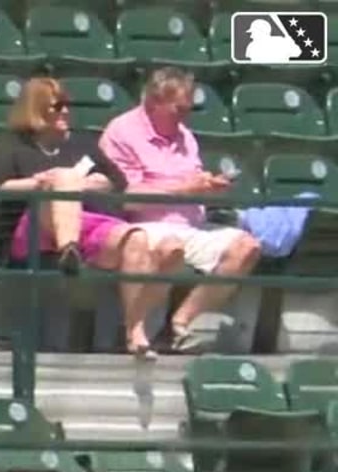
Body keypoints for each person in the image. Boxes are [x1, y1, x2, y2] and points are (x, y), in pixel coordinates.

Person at [0, 77, 187, 358]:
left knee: (135, 240)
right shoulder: (12, 145)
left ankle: (134, 332)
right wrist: (40, 182)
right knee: (63, 178)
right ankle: (69, 251)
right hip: (30, 227)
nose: (66, 111)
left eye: (68, 105)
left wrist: (87, 182)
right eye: (58, 105)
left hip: (84, 221)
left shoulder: (80, 144)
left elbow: (116, 180)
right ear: (36, 108)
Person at [99, 67, 262, 353]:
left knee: (247, 246)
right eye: (179, 109)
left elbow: (192, 182)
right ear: (153, 102)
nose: (185, 116)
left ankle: (180, 322)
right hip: (142, 226)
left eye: (189, 109)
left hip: (192, 225)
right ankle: (135, 331)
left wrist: (208, 185)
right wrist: (183, 190)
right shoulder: (121, 133)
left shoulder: (186, 136)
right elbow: (126, 198)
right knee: (171, 247)